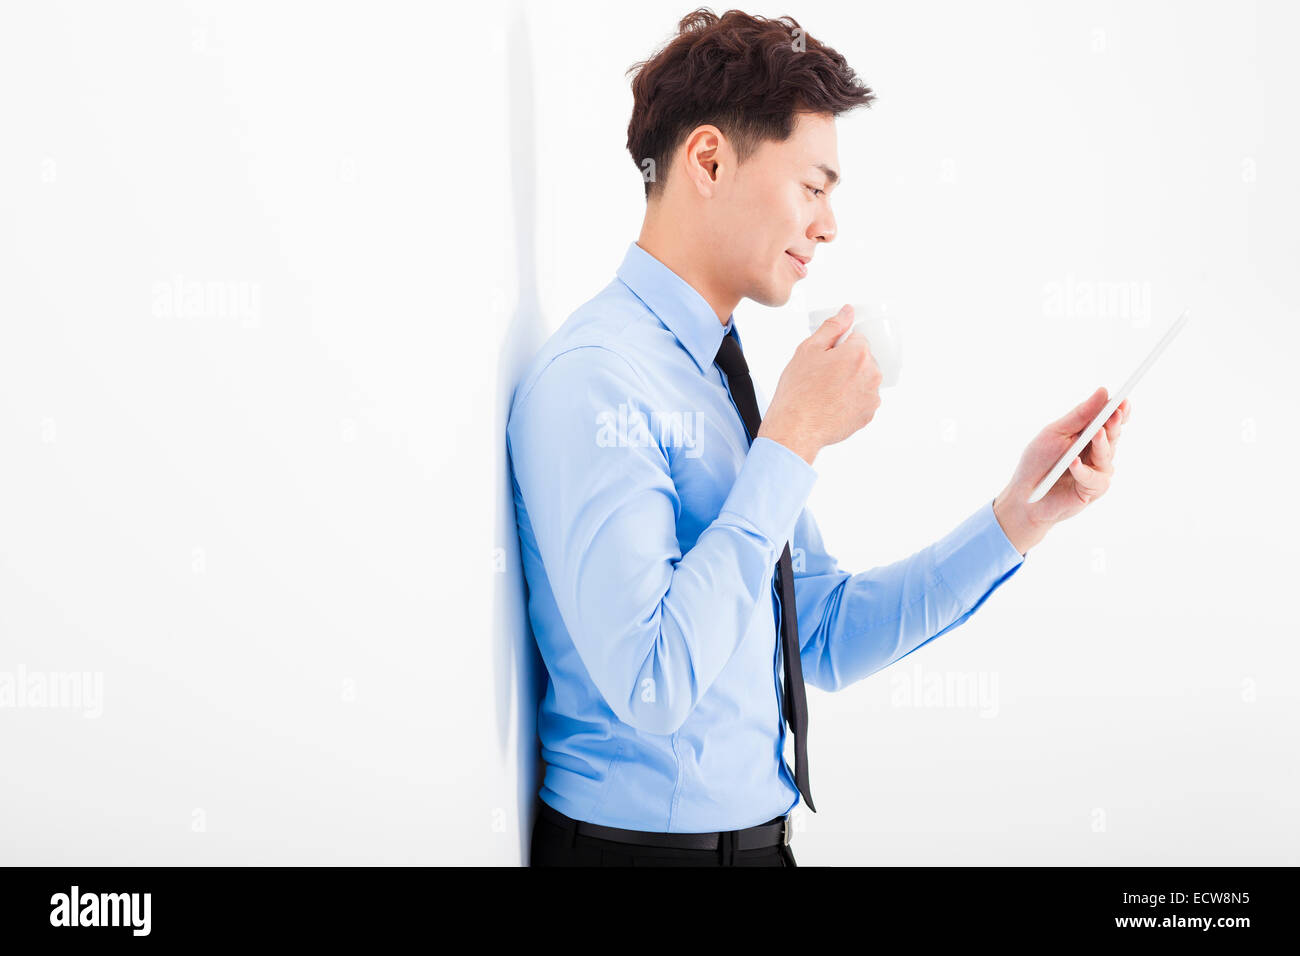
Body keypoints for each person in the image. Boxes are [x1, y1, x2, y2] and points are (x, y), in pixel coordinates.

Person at [507, 8, 1130, 867]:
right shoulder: (596, 378)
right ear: (710, 161)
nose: (830, 224)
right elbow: (652, 680)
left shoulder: (720, 377)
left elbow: (821, 636)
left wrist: (1021, 515)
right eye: (814, 185)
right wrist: (793, 440)